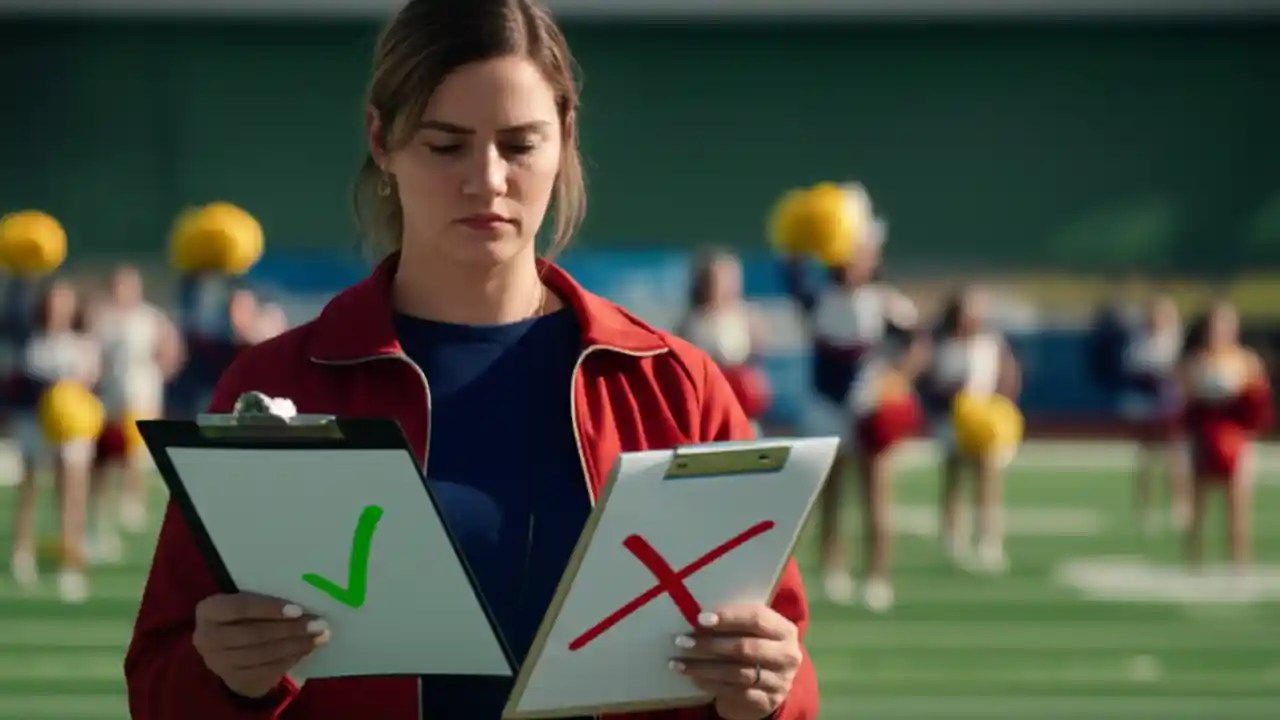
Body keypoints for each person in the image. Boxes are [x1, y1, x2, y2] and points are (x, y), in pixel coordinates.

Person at [124, 2, 817, 719]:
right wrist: (229, 678)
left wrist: (768, 691)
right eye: (445, 145)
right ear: (381, 138)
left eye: (519, 145)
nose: (486, 179)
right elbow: (159, 687)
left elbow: (785, 671)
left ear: (565, 138)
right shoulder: (276, 385)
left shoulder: (673, 384)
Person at [782, 218, 918, 605]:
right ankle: (833, 568)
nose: (850, 262)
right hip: (826, 404)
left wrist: (895, 382)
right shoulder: (818, 296)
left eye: (859, 254)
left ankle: (877, 575)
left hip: (868, 404)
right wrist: (804, 238)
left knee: (877, 493)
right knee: (830, 492)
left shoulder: (887, 301)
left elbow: (916, 345)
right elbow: (792, 273)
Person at [7, 279, 101, 603]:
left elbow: (89, 384)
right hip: (35, 423)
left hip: (72, 427)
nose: (57, 309)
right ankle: (22, 553)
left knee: (72, 493)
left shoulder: (82, 344)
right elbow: (17, 386)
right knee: (31, 488)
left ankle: (70, 563)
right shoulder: (30, 342)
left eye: (64, 302)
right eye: (52, 302)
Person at [920, 286, 1021, 574]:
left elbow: (1008, 375)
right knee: (953, 476)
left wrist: (1001, 403)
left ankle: (989, 538)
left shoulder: (991, 342)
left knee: (988, 476)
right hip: (952, 419)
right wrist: (948, 397)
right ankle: (953, 534)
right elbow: (930, 380)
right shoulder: (942, 342)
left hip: (984, 418)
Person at [88, 265, 184, 559]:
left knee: (134, 445)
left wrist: (161, 372)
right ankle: (107, 507)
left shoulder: (149, 316)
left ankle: (133, 498)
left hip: (141, 387)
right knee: (110, 449)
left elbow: (171, 347)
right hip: (110, 391)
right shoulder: (102, 317)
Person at [1180, 301, 1273, 570]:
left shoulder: (1247, 360)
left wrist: (1245, 393)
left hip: (1236, 440)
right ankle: (1194, 561)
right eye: (1216, 325)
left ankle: (1239, 564)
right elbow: (1186, 400)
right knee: (1199, 503)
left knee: (1238, 505)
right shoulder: (1197, 361)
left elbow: (1259, 405)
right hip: (1205, 438)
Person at [677, 248, 772, 433]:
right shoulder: (692, 323)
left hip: (744, 406)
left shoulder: (747, 316)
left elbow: (757, 360)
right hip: (711, 405)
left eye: (732, 278)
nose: (728, 284)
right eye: (720, 279)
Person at [1119, 294, 1188, 535]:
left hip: (1170, 408)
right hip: (1147, 408)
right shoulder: (1139, 344)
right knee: (1147, 459)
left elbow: (1183, 374)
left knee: (1175, 458)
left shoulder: (1176, 342)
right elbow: (1131, 373)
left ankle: (1180, 505)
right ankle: (1145, 508)